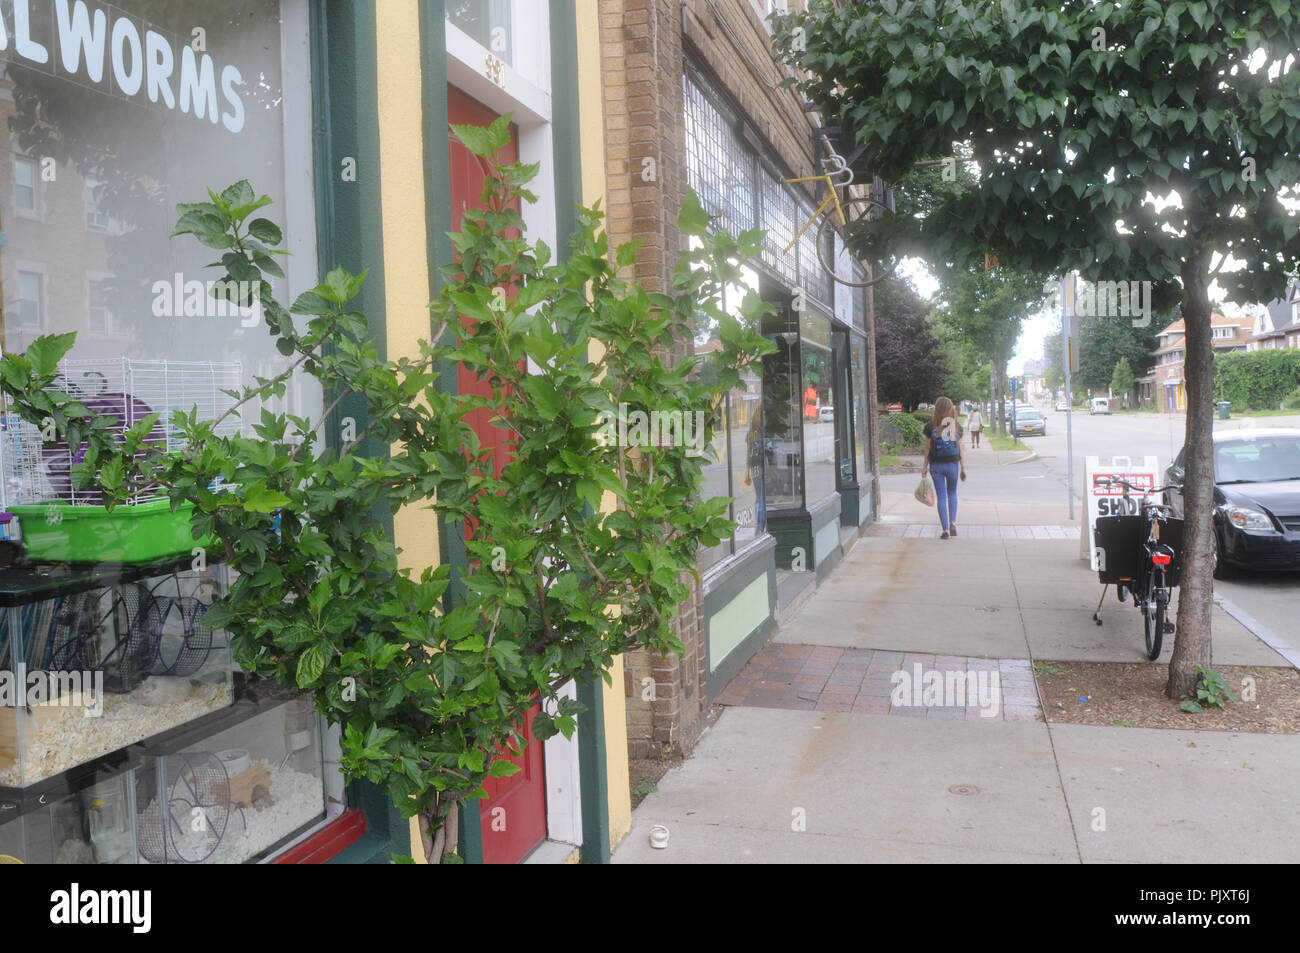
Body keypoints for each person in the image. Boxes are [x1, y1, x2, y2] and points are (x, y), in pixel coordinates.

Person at [922, 396, 967, 539]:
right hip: (953, 464)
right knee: (952, 493)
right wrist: (963, 467)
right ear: (951, 409)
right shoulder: (956, 427)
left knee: (941, 497)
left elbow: (928, 448)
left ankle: (945, 530)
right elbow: (960, 448)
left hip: (936, 466)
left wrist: (924, 467)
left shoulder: (930, 426)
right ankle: (953, 522)